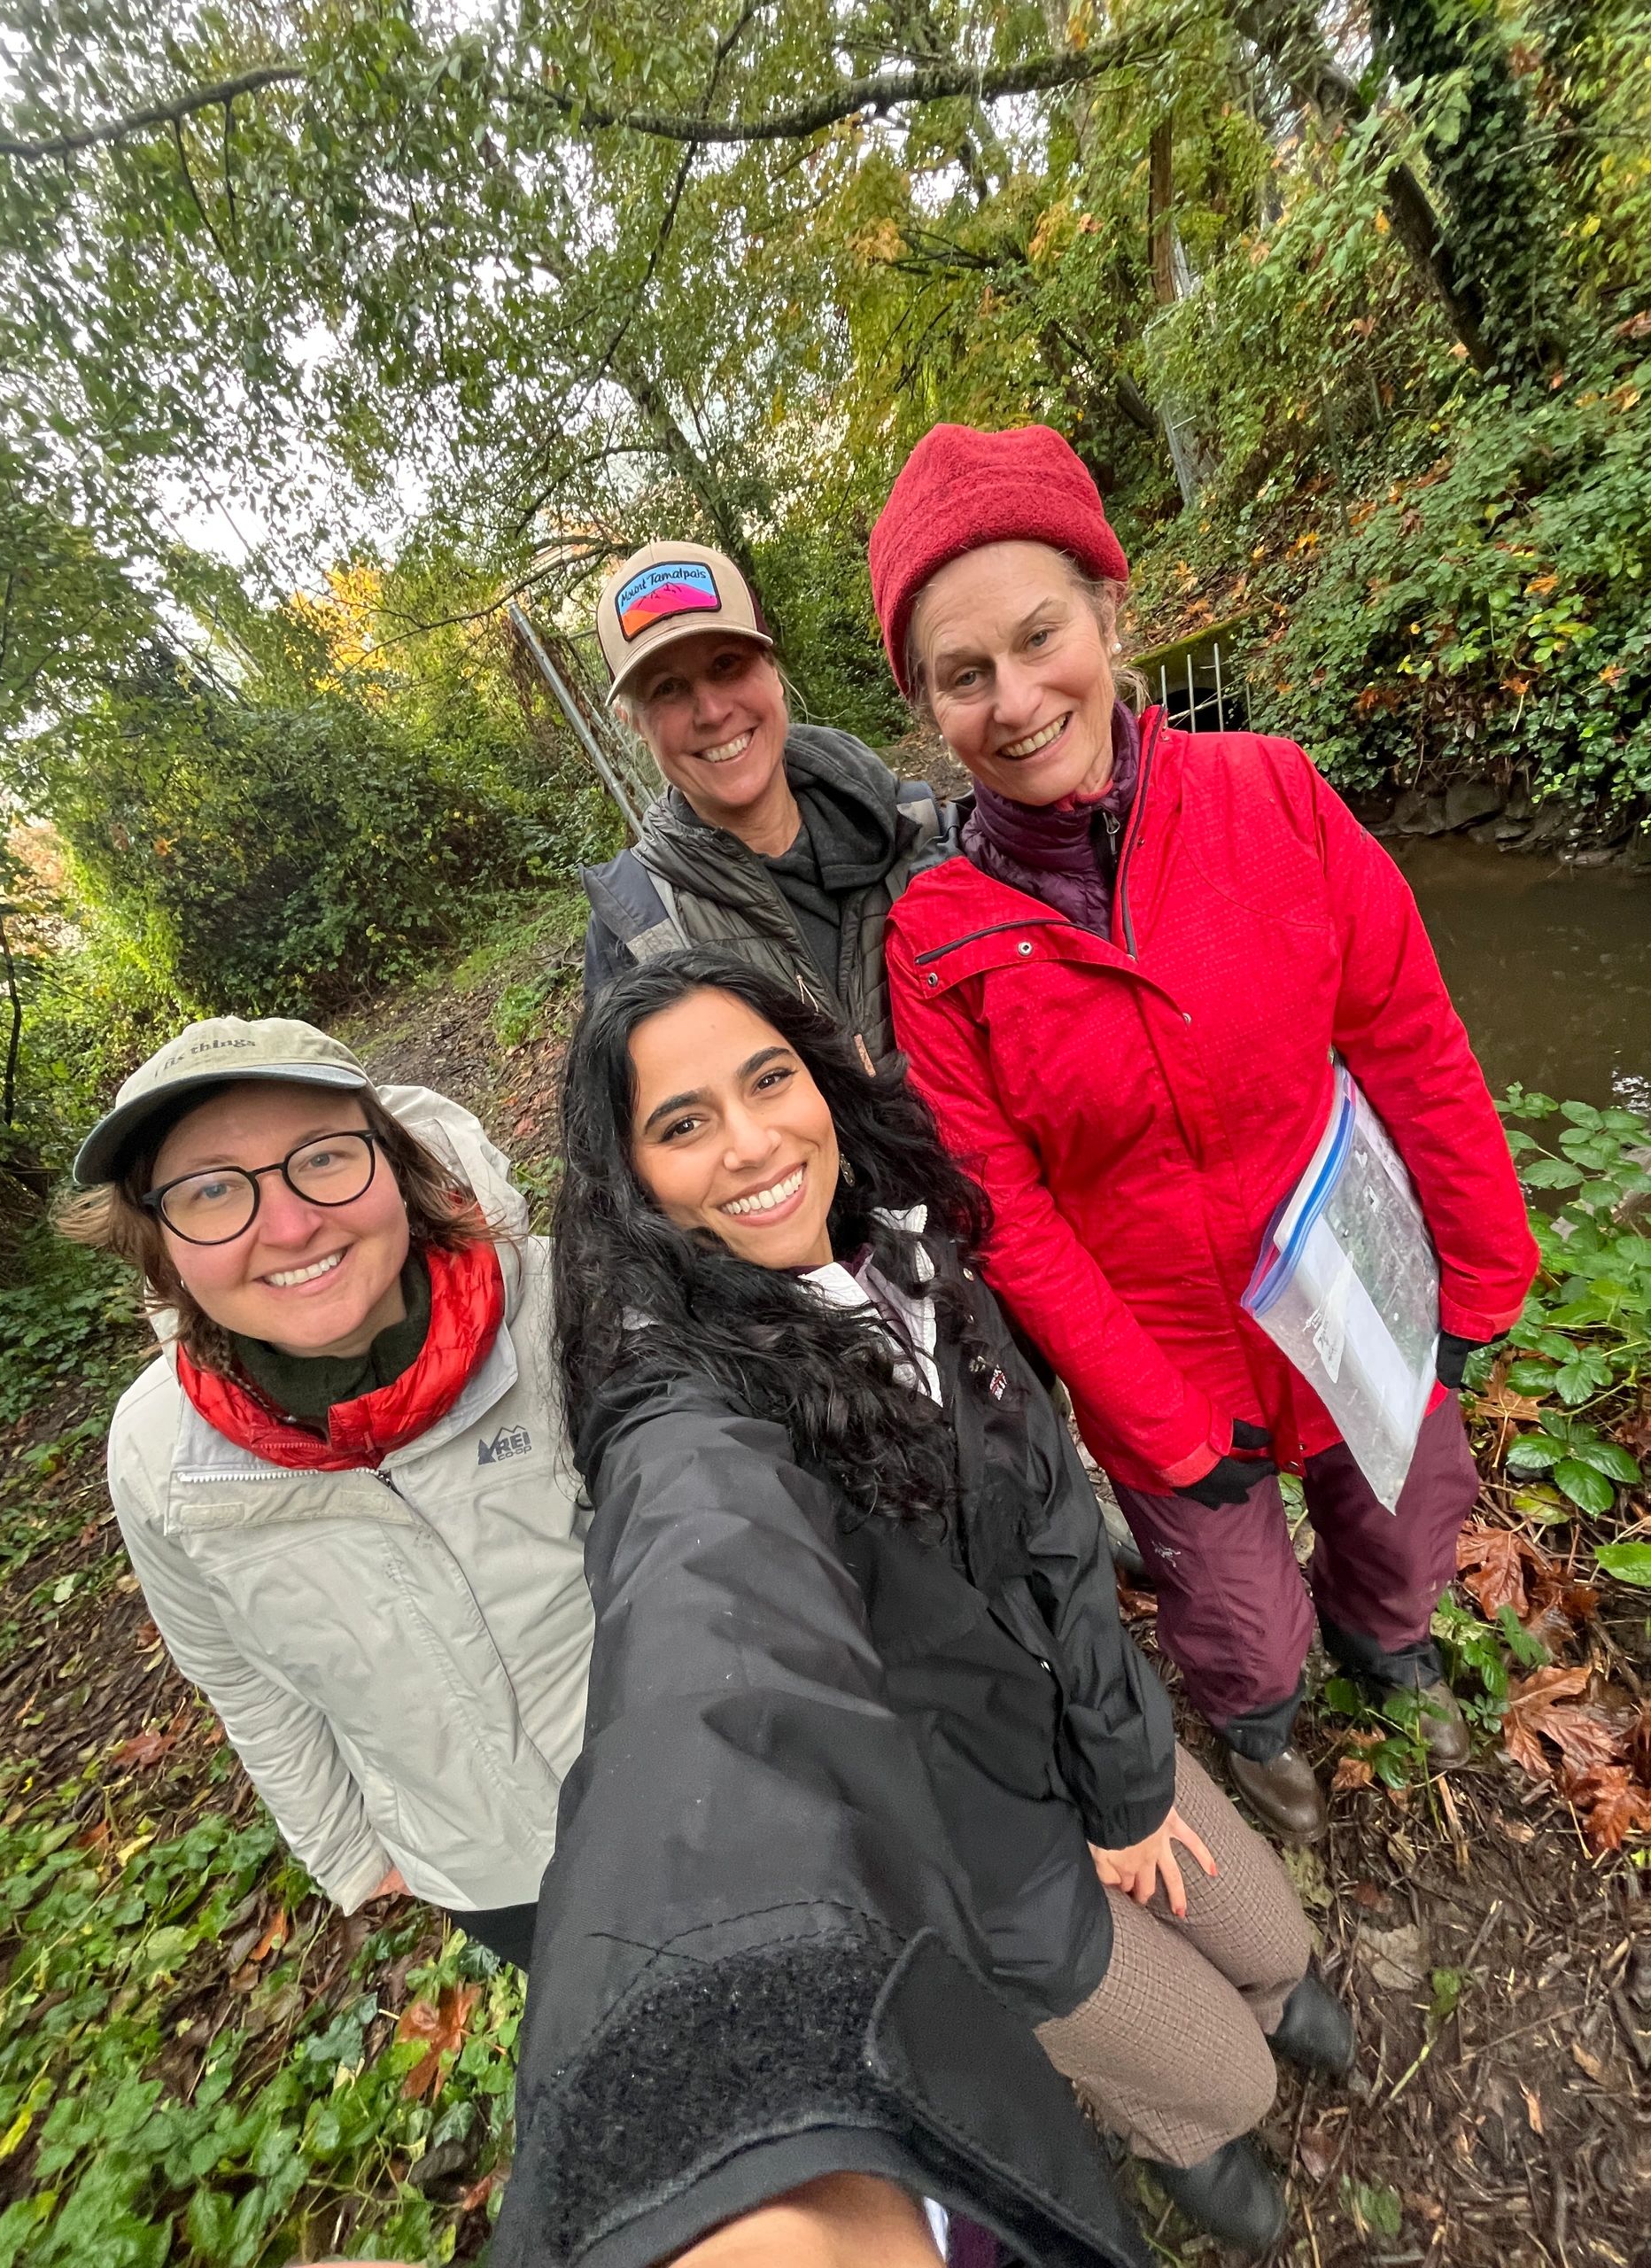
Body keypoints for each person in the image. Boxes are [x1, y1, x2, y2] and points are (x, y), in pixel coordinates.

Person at [493, 951, 1356, 2268]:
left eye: (767, 1080)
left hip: (1078, 1724)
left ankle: (1270, 2002)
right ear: (634, 1186)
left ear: (823, 1075)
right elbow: (705, 1633)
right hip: (965, 1850)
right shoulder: (688, 1421)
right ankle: (1192, 2140)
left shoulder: (911, 1242)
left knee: (1275, 1942)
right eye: (682, 1124)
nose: (749, 1144)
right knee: (1224, 2079)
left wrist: (1122, 1782)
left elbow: (1058, 1525)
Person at [868, 422, 1539, 1843]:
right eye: (963, 674)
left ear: (1110, 613)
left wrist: (1478, 1269)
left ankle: (1392, 1644)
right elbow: (1010, 1216)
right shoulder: (935, 943)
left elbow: (1408, 1034)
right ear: (927, 706)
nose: (1017, 697)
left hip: (1353, 1274)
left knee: (1407, 1506)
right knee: (1228, 1591)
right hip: (1159, 1342)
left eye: (1040, 635)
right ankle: (1262, 1718)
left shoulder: (1272, 796)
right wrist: (1157, 1418)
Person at [59, 1016, 593, 1969]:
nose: (294, 1224)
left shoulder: (565, 1304)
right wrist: (346, 1848)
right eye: (213, 1189)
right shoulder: (157, 1458)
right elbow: (240, 1677)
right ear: (160, 1240)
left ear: (396, 1161)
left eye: (323, 1156)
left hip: (703, 1775)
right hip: (495, 1876)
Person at [581, 538, 948, 1068]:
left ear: (772, 669)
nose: (710, 710)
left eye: (727, 664)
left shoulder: (912, 829)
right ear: (635, 722)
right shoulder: (636, 932)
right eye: (668, 688)